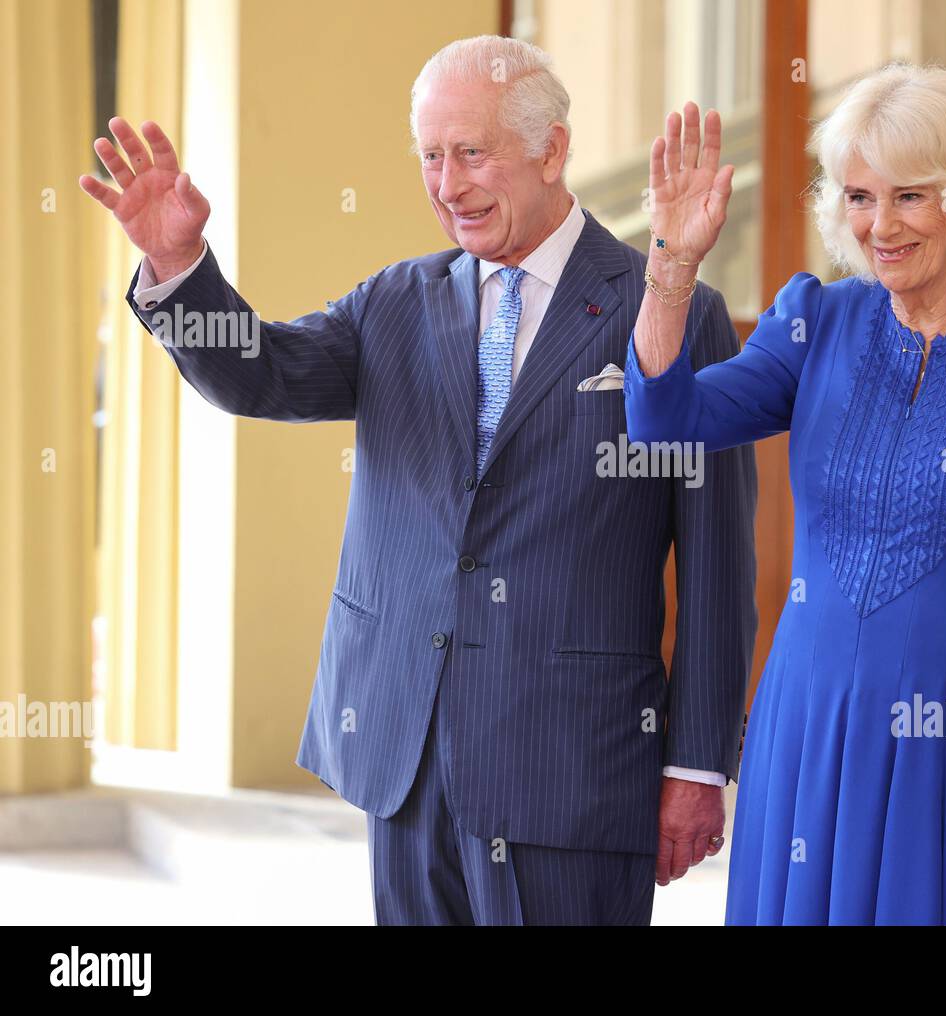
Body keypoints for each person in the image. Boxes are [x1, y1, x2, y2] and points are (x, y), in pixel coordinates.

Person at [79, 34, 758, 926]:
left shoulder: (671, 310)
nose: (447, 183)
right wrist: (179, 268)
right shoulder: (396, 300)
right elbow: (262, 373)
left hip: (570, 768)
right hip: (405, 752)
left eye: (471, 152)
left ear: (552, 151)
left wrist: (697, 765)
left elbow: (716, 569)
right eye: (431, 157)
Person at [624, 62, 946, 925]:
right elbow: (666, 425)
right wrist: (670, 264)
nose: (879, 226)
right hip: (814, 723)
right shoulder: (816, 319)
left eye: (909, 197)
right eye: (859, 198)